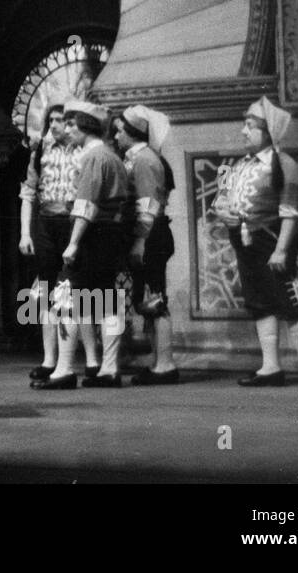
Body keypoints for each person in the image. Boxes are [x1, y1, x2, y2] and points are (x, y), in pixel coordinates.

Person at [213, 97, 298, 388]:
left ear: (268, 131)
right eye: (244, 125)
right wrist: (226, 214)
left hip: (272, 242)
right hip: (244, 244)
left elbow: (291, 213)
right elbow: (220, 201)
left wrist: (281, 250)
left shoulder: (285, 164)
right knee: (259, 302)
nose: (243, 132)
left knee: (290, 303)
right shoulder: (237, 165)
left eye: (250, 126)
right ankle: (270, 367)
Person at [35, 100, 128, 390]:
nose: (68, 129)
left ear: (86, 127)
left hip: (91, 236)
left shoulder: (93, 158)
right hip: (110, 235)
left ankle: (63, 370)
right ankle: (109, 369)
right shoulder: (111, 155)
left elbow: (86, 205)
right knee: (107, 301)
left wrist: (73, 243)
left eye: (73, 124)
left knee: (65, 298)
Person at [115, 105, 179, 386]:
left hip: (150, 238)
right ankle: (159, 363)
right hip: (148, 236)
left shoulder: (144, 161)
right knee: (149, 301)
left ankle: (165, 365)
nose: (116, 136)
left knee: (155, 300)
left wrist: (140, 241)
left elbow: (148, 206)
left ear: (132, 133)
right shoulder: (140, 158)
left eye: (119, 130)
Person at [18, 100, 80, 383]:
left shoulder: (82, 149)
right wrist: (25, 233)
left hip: (70, 222)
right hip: (45, 222)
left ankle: (72, 362)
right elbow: (28, 193)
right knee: (43, 293)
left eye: (61, 120)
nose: (55, 125)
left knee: (69, 293)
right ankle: (48, 360)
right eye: (51, 120)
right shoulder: (40, 150)